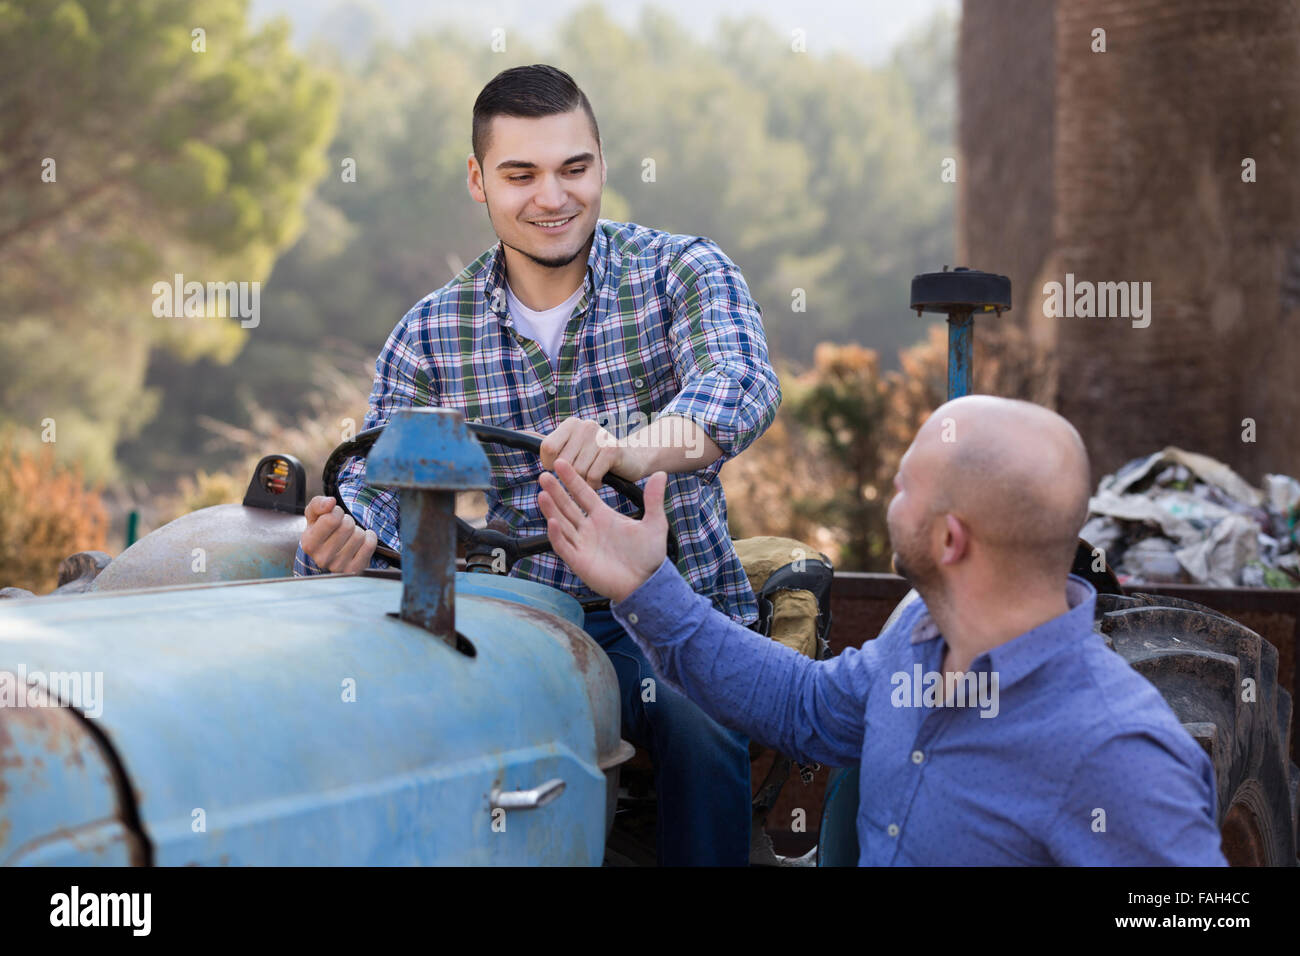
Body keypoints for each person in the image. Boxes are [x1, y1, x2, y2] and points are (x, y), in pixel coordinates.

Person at [294, 64, 781, 866]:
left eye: (574, 169)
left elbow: (739, 390)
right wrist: (347, 536)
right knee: (400, 709)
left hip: (666, 608)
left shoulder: (683, 272)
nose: (553, 197)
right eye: (521, 174)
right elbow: (385, 491)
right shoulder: (431, 333)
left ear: (601, 165)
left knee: (696, 721)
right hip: (511, 618)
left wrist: (627, 450)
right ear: (479, 182)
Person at [537, 394, 1229, 865]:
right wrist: (644, 586)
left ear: (951, 540)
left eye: (904, 490)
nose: (890, 502)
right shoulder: (921, 639)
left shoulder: (1121, 754)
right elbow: (802, 706)